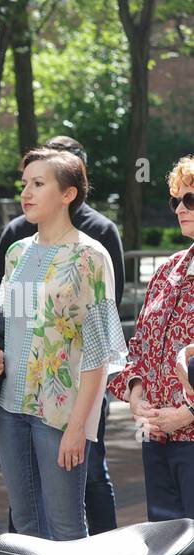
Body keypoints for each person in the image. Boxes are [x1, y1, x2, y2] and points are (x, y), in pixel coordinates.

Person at [0, 148, 125, 540]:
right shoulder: (16, 253)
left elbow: (99, 352)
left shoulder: (91, 256)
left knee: (66, 526)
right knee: (25, 525)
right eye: (25, 184)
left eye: (39, 184)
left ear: (68, 194)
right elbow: (4, 323)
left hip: (60, 414)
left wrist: (79, 428)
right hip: (10, 409)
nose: (27, 192)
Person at [111, 156, 194, 520]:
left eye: (190, 200)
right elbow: (139, 346)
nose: (179, 208)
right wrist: (134, 391)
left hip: (188, 436)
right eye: (176, 199)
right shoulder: (168, 269)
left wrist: (188, 414)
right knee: (166, 551)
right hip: (156, 437)